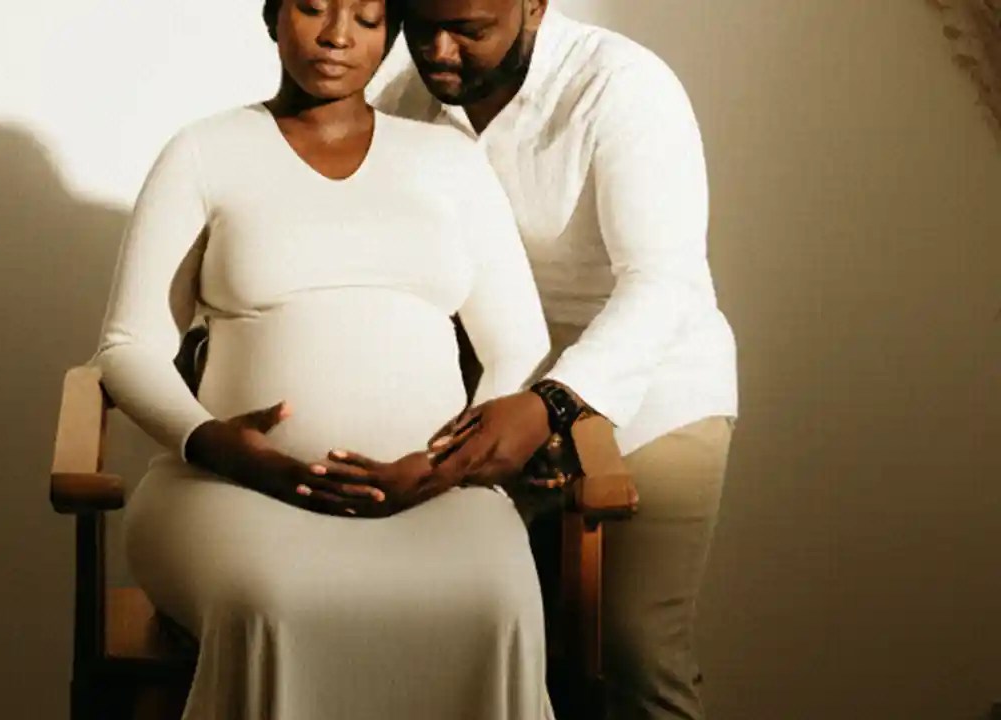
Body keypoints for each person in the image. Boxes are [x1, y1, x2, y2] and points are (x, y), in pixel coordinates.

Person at [94, 0, 559, 717]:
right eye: (312, 8)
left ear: (391, 33)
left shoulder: (448, 161)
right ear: (273, 15)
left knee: (496, 600)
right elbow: (128, 346)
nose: (337, 36)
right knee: (271, 605)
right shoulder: (204, 151)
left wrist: (443, 468)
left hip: (431, 492)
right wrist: (221, 446)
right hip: (230, 492)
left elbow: (518, 342)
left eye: (367, 19)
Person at [359, 1, 740, 718]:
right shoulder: (406, 101)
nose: (439, 51)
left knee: (631, 650)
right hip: (493, 398)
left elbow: (663, 283)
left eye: (469, 31)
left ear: (532, 4)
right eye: (420, 25)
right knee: (506, 651)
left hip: (654, 392)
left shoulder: (622, 88)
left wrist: (553, 404)